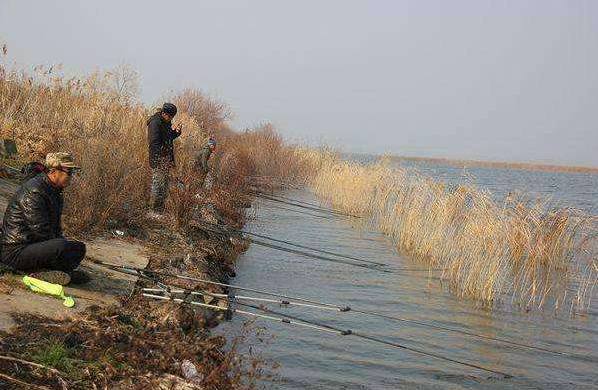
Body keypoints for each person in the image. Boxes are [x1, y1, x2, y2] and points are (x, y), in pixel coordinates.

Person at [0, 153, 87, 285]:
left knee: (79, 248)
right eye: (68, 172)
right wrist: (59, 248)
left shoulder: (55, 190)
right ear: (53, 171)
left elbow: (55, 228)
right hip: (16, 250)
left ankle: (51, 270)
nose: (71, 176)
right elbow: (40, 230)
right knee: (61, 246)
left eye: (72, 172)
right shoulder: (35, 190)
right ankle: (39, 272)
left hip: (33, 245)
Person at [147, 102, 182, 217]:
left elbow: (168, 138)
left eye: (172, 117)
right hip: (158, 159)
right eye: (170, 116)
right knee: (157, 185)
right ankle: (152, 212)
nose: (171, 119)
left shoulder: (166, 122)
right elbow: (153, 143)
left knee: (164, 186)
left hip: (166, 160)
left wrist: (176, 133)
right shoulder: (155, 123)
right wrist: (161, 158)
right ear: (164, 113)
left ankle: (159, 211)